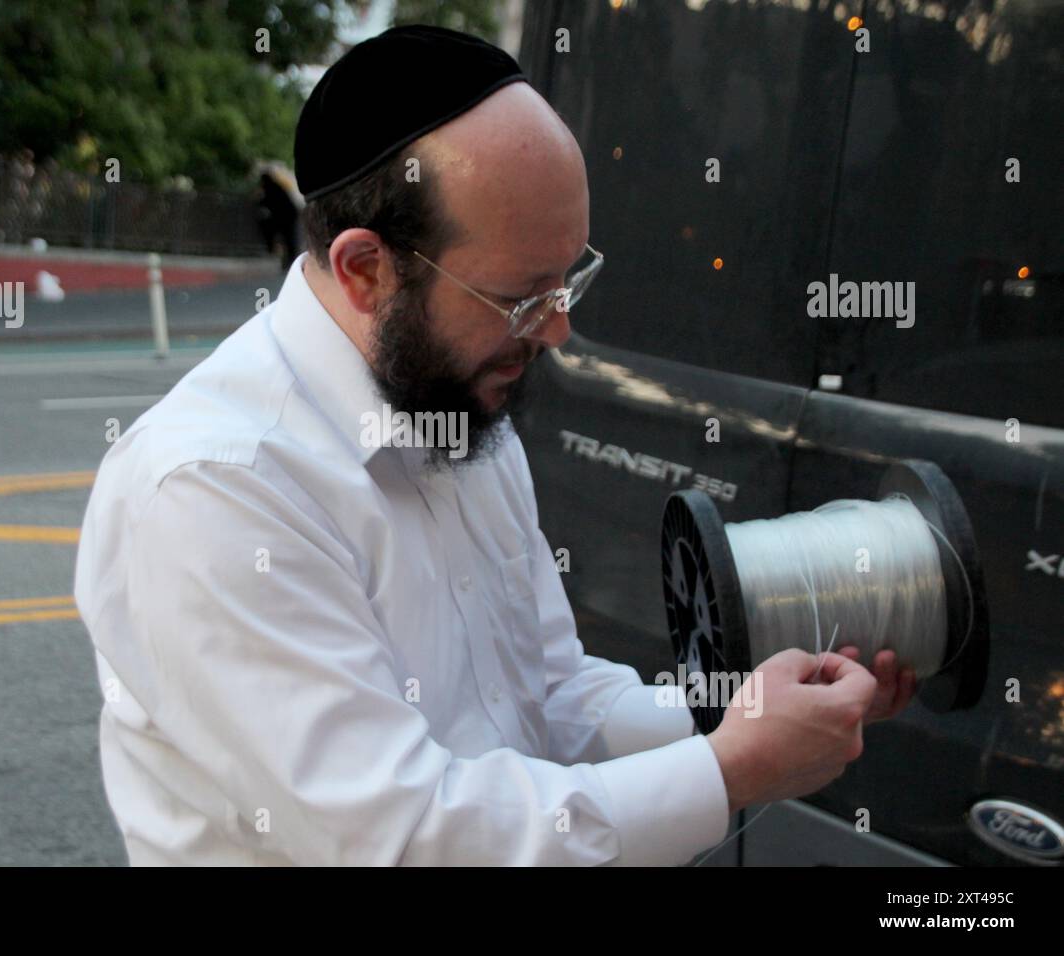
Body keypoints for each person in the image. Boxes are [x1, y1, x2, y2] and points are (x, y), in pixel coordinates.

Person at [74, 25, 915, 866]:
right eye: (521, 298)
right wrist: (727, 771)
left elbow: (547, 693)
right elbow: (401, 835)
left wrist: (754, 719)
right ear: (367, 270)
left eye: (570, 278)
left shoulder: (457, 404)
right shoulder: (215, 490)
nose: (559, 330)